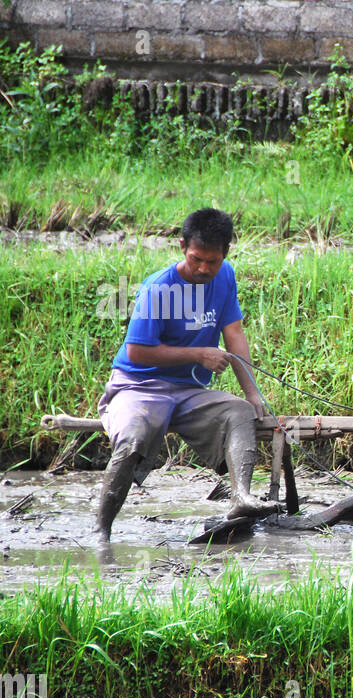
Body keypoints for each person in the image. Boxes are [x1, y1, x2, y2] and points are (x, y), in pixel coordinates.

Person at [93, 208, 272, 542]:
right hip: (139, 385)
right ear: (182, 247)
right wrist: (199, 354)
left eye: (212, 261)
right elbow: (137, 351)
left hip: (188, 389)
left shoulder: (225, 276)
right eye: (196, 259)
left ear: (226, 254)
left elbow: (234, 335)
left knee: (239, 412)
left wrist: (252, 393)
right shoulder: (158, 288)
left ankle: (241, 498)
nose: (204, 268)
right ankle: (102, 529)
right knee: (131, 437)